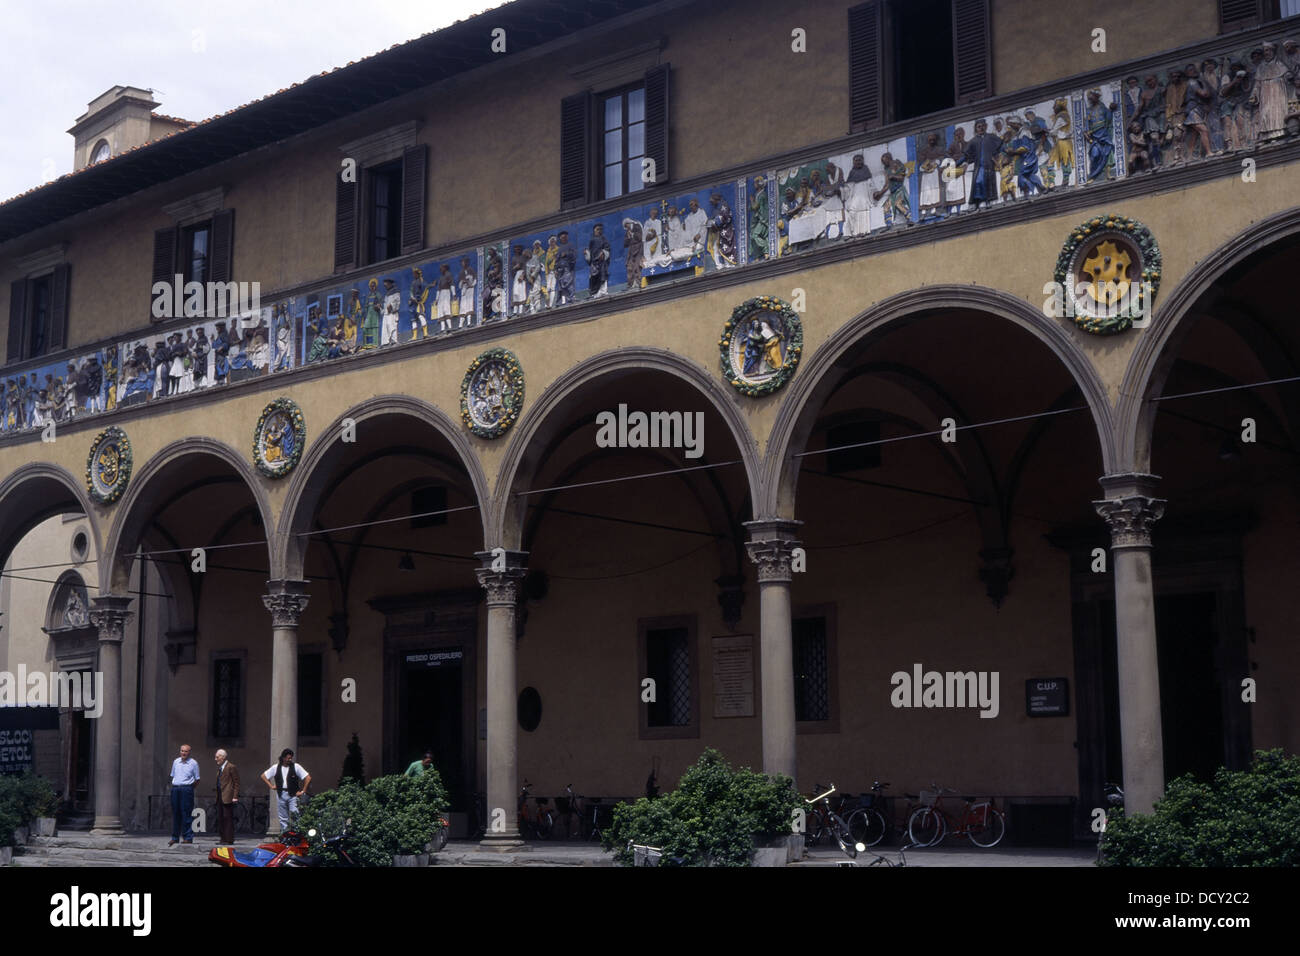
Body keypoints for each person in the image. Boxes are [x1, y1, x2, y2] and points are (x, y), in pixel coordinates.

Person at [263, 748, 311, 833]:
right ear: (283, 758)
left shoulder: (296, 767)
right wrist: (271, 786)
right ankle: (285, 835)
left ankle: (297, 833)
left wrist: (303, 791)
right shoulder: (275, 767)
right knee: (283, 817)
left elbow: (308, 777)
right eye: (288, 758)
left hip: (293, 795)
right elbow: (263, 776)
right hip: (281, 794)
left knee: (295, 815)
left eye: (291, 758)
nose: (290, 760)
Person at [168, 743, 200, 845]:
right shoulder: (176, 762)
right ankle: (175, 837)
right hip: (176, 789)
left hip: (186, 789)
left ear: (189, 752)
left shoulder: (193, 763)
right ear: (180, 751)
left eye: (186, 751)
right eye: (182, 751)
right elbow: (173, 775)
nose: (183, 753)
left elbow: (197, 779)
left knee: (186, 813)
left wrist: (189, 788)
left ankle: (188, 837)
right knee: (176, 813)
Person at [214, 749, 240, 845]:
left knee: (227, 817)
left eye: (217, 757)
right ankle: (223, 838)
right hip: (220, 795)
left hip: (228, 795)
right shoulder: (220, 768)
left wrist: (235, 796)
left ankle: (229, 839)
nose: (216, 759)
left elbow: (236, 782)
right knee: (221, 817)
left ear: (223, 757)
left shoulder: (231, 767)